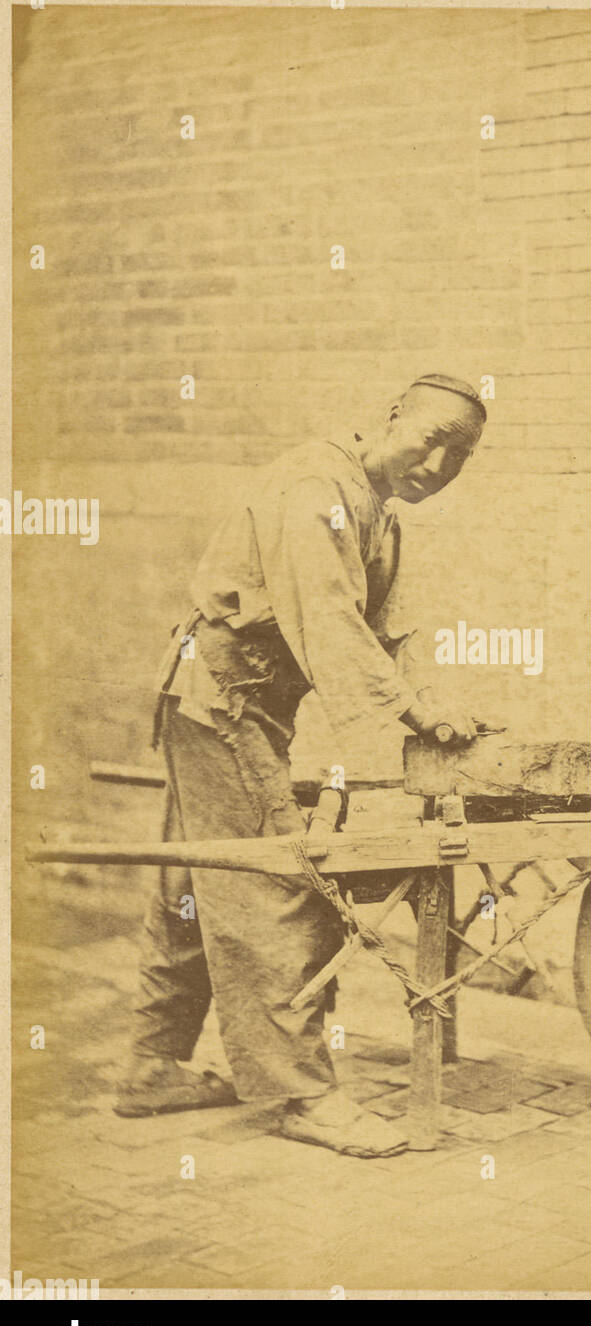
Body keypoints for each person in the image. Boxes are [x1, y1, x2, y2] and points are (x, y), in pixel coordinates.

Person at [114, 374, 486, 1157]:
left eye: (461, 453)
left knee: (198, 880)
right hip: (224, 702)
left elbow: (387, 628)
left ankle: (152, 1067)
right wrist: (416, 715)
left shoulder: (375, 507)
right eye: (430, 437)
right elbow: (328, 619)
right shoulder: (317, 487)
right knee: (273, 886)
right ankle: (302, 1095)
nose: (438, 461)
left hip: (234, 704)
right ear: (390, 418)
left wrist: (438, 703)